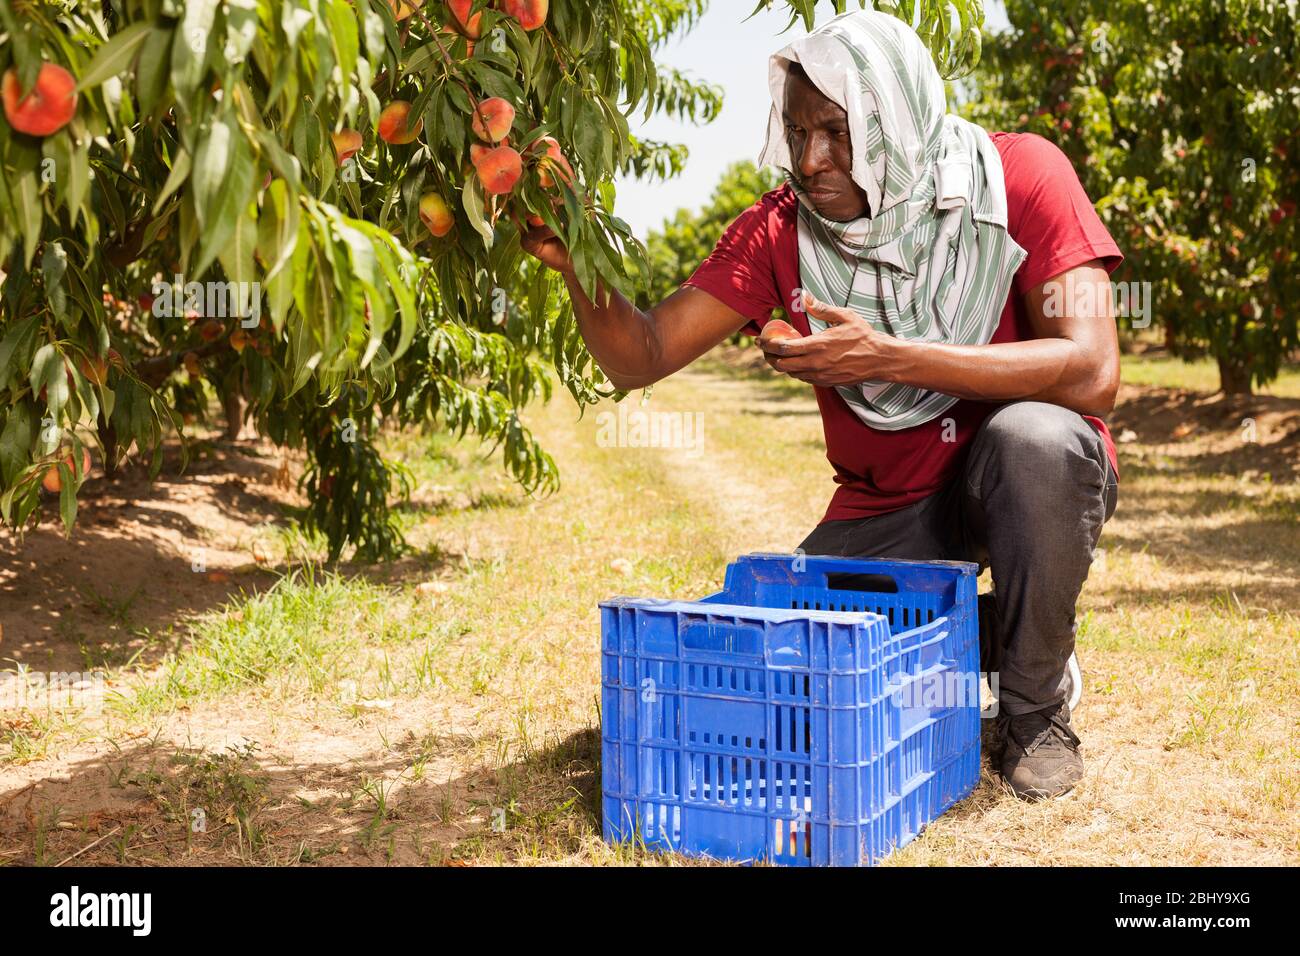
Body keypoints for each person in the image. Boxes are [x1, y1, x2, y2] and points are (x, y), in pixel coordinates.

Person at [521, 10, 1122, 800]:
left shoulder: (1022, 177)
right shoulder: (777, 232)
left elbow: (1093, 372)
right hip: (892, 502)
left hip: (1021, 478)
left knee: (1035, 440)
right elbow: (644, 355)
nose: (811, 159)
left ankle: (1035, 705)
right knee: (781, 689)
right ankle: (989, 638)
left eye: (837, 132)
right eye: (797, 132)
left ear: (896, 117)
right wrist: (581, 258)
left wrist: (889, 356)